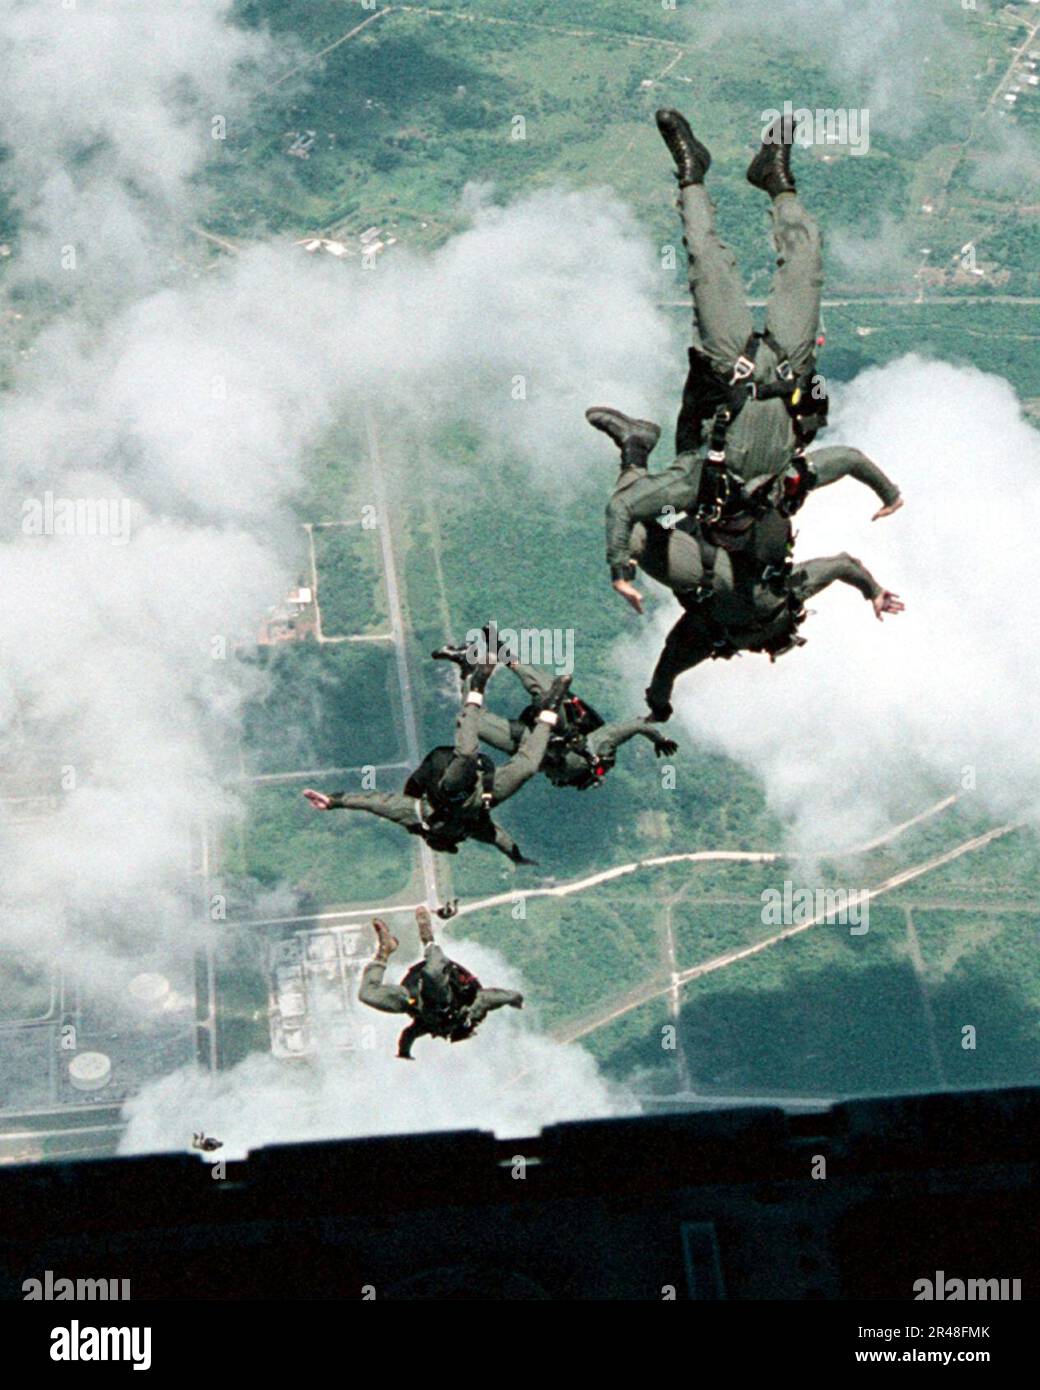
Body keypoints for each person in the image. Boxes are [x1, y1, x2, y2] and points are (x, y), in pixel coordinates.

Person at [599, 106, 904, 614]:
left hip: (730, 367)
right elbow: (849, 460)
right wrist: (889, 495)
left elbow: (623, 507)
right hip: (789, 365)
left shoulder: (698, 483)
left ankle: (691, 173)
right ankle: (776, 179)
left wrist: (620, 569)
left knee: (706, 259)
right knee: (806, 260)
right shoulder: (795, 478)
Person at [590, 410, 905, 718]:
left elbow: (844, 563)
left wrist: (875, 586)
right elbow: (663, 677)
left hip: (715, 538)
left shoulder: (788, 590)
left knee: (645, 515)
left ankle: (640, 447)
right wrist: (659, 709)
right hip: (708, 554)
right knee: (636, 521)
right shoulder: (710, 631)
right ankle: (636, 448)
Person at [303, 661, 569, 862]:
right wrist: (517, 858)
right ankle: (550, 710)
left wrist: (335, 801)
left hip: (449, 785)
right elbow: (499, 839)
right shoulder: (472, 828)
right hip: (487, 790)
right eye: (456, 840)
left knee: (466, 754)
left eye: (448, 839)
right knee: (528, 766)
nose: (457, 837)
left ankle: (476, 691)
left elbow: (375, 803)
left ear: (434, 833)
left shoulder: (418, 815)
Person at [431, 645, 678, 789]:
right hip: (560, 725)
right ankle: (504, 654)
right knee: (548, 694)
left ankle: (467, 668)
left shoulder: (543, 763)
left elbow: (637, 726)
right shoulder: (599, 745)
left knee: (472, 722)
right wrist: (659, 737)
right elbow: (636, 725)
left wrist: (658, 739)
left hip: (531, 741)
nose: (554, 779)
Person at [358, 907, 523, 1059]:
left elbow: (408, 1035)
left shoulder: (429, 1026)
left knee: (367, 994)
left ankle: (385, 950)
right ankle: (428, 939)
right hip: (444, 988)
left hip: (412, 998)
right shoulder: (474, 1007)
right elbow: (499, 996)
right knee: (433, 973)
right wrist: (516, 1000)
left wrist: (404, 1052)